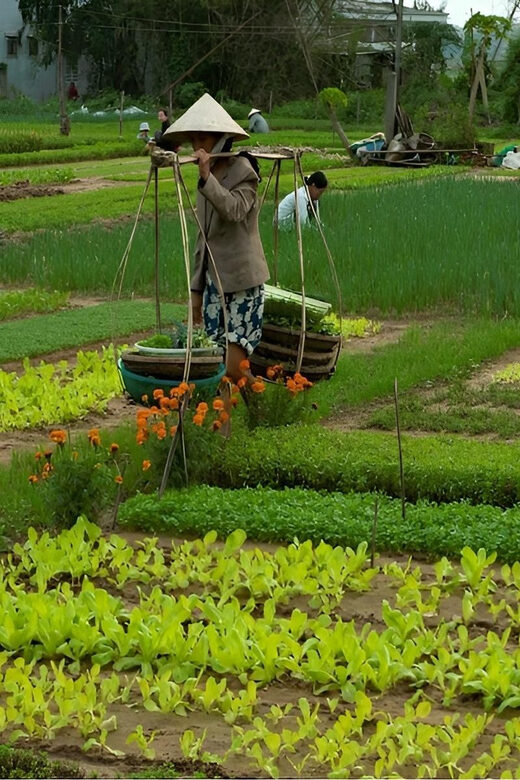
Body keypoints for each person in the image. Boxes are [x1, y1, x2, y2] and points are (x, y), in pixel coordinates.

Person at [161, 93, 269, 383]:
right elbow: (203, 237)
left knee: (234, 367)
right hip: (213, 284)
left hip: (242, 282)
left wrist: (207, 177)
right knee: (214, 365)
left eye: (203, 140)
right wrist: (196, 291)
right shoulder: (204, 179)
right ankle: (226, 422)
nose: (198, 147)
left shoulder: (244, 171)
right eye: (194, 140)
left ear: (220, 138)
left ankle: (260, 406)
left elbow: (234, 210)